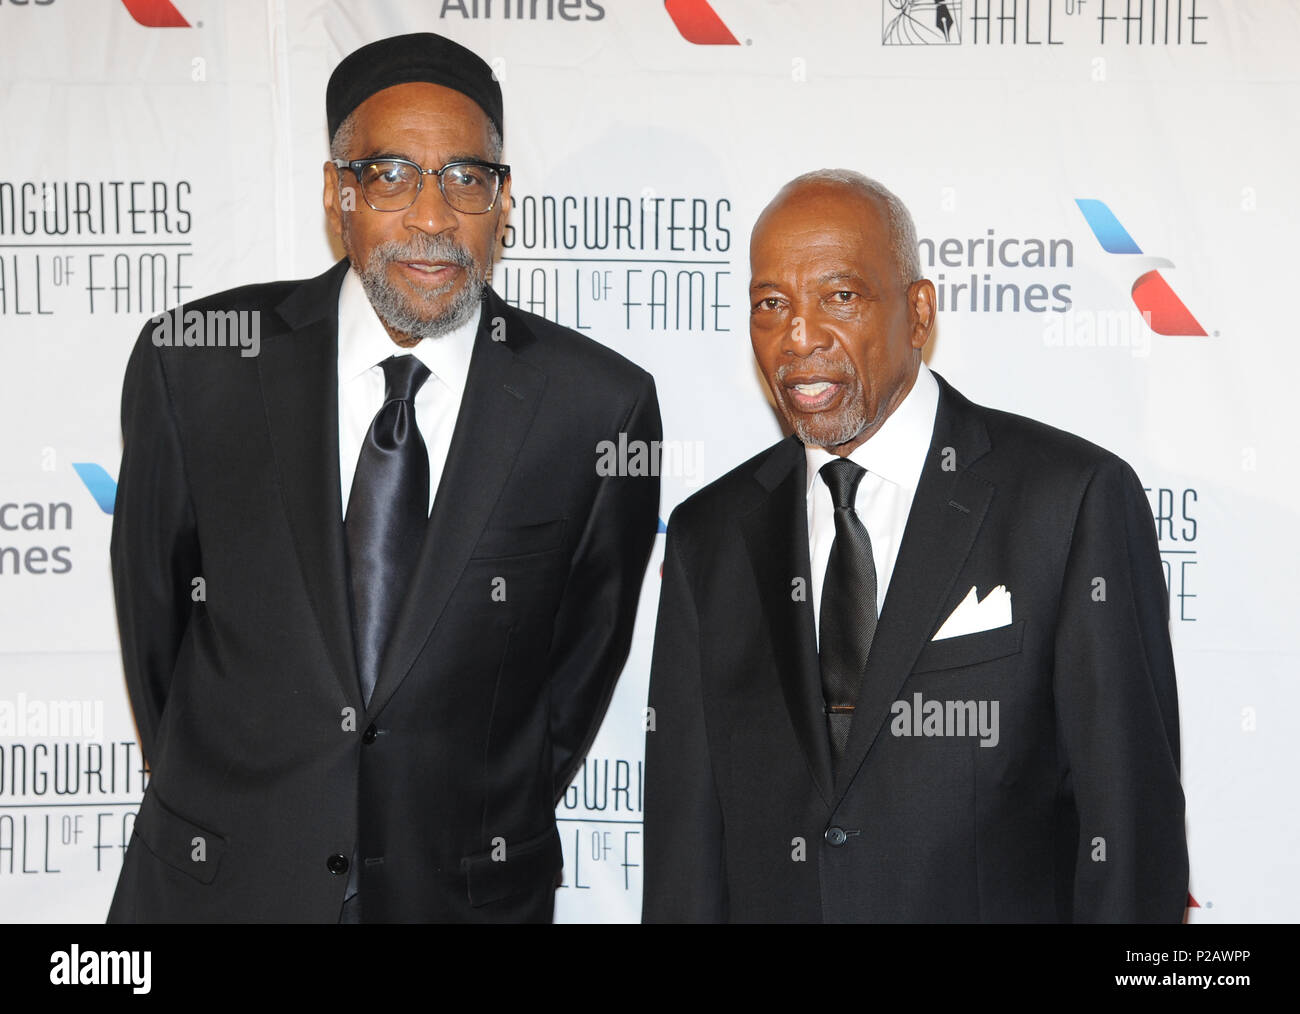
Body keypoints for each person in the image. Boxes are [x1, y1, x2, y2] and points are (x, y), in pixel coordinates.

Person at [108, 32, 661, 923]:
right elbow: (157, 639)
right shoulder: (198, 364)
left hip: (464, 896)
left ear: (503, 202)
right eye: (394, 175)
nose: (434, 218)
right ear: (339, 195)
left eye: (466, 178)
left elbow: (571, 683)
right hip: (217, 890)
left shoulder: (598, 408)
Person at [641, 170, 1187, 923]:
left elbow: (1131, 841)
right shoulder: (711, 535)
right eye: (771, 304)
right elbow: (685, 857)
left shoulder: (1070, 501)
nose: (799, 337)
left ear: (919, 311)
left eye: (841, 296)